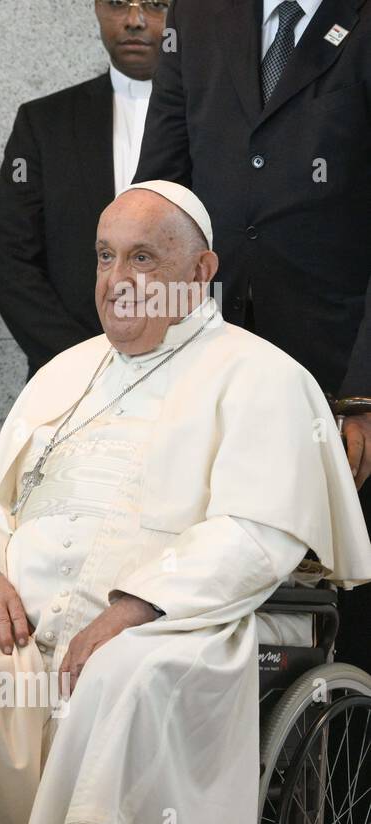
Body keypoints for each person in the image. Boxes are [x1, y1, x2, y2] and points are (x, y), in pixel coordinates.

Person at [0, 181, 371, 824]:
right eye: (104, 256)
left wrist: (133, 607)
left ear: (201, 272)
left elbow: (257, 533)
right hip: (30, 640)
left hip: (177, 631)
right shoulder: (65, 371)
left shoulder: (264, 376)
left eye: (143, 258)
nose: (117, 280)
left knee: (121, 677)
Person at [135, 0, 371, 679]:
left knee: (341, 610)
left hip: (334, 368)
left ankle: (342, 780)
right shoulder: (202, 13)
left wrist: (362, 395)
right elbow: (165, 186)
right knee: (220, 600)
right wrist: (144, 335)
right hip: (212, 363)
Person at [0, 0, 167, 376]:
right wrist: (88, 364)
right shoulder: (43, 124)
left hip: (191, 380)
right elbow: (13, 265)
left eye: (156, 4)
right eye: (118, 3)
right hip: (68, 379)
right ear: (97, 9)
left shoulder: (220, 121)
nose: (135, 21)